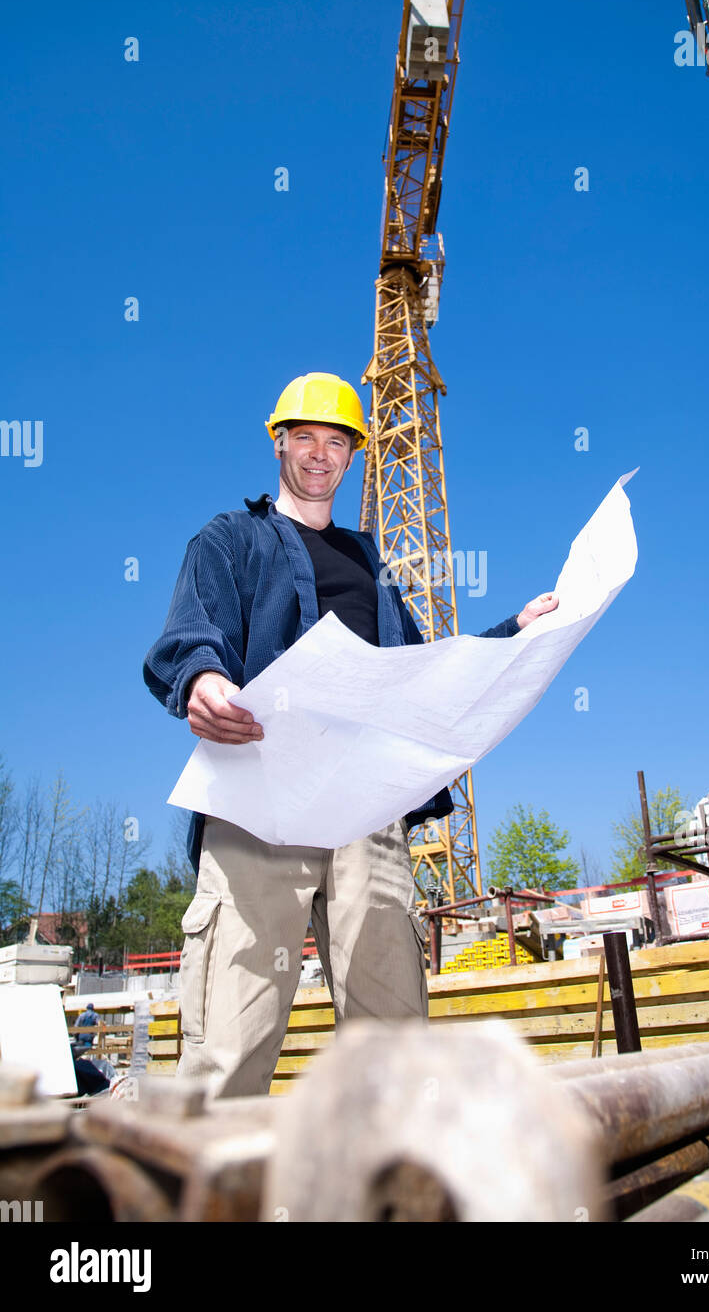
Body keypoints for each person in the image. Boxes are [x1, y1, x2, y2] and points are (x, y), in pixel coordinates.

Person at [143, 371, 559, 1098]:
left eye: (335, 442)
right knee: (231, 1037)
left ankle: (388, 1167)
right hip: (261, 796)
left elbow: (423, 675)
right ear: (278, 443)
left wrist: (511, 634)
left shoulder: (373, 567)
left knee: (390, 1029)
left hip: (366, 805)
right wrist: (202, 681)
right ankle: (211, 1163)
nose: (318, 453)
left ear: (353, 454)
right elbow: (192, 632)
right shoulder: (231, 538)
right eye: (303, 437)